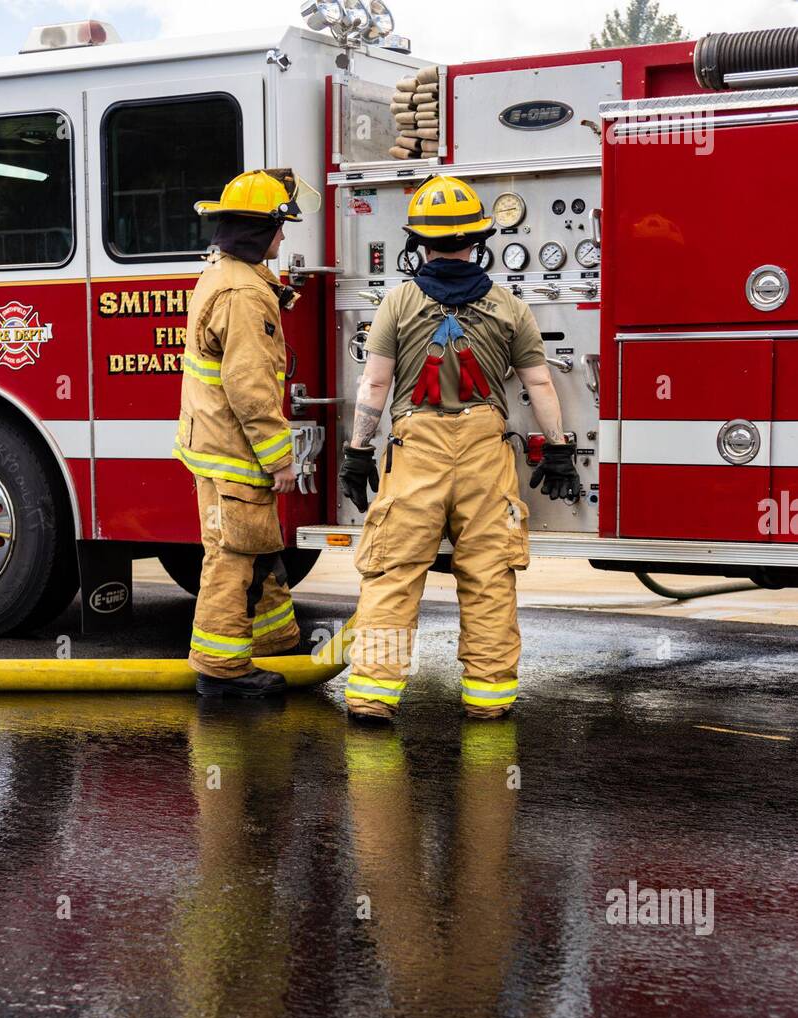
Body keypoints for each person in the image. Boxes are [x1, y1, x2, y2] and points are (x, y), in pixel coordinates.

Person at [340, 174, 580, 721]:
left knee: (394, 574)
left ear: (417, 242)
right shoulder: (510, 306)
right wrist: (560, 448)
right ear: (480, 240)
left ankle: (375, 694)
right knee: (489, 575)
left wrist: (357, 452)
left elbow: (373, 385)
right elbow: (539, 384)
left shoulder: (397, 303)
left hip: (416, 448)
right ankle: (488, 699)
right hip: (483, 452)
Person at [173, 168, 320, 699]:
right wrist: (280, 458)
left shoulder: (226, 274)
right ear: (260, 231)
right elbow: (250, 387)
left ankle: (275, 641)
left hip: (215, 443)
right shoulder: (242, 293)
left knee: (259, 550)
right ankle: (221, 669)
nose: (284, 237)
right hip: (234, 450)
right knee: (234, 555)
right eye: (281, 227)